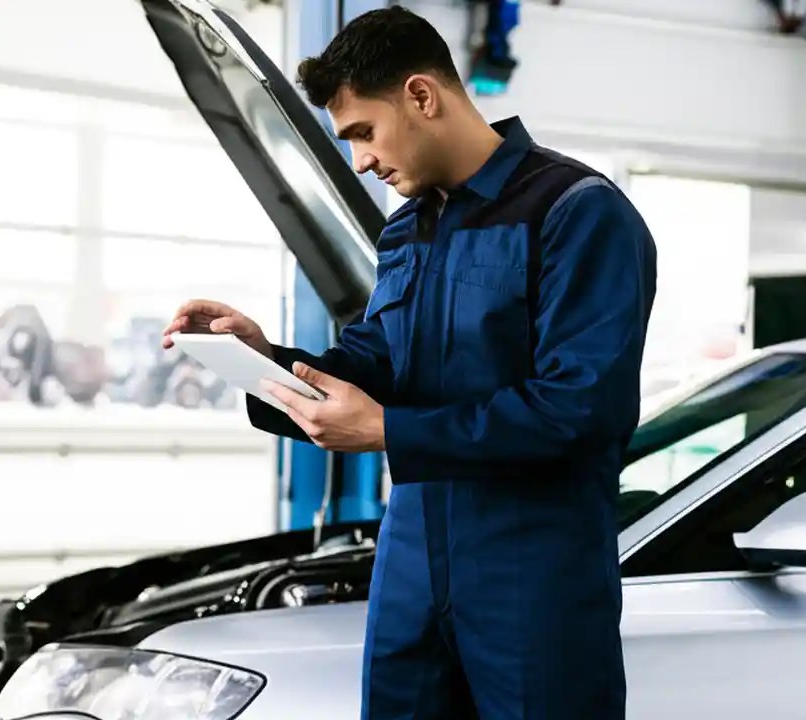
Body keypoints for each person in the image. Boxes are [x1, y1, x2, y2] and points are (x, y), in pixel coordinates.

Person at [163, 6, 656, 718]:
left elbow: (581, 409)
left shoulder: (576, 212)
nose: (361, 161)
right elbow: (374, 360)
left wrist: (390, 431)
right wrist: (264, 359)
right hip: (411, 570)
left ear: (421, 96)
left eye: (364, 132)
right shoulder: (406, 230)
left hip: (534, 572)